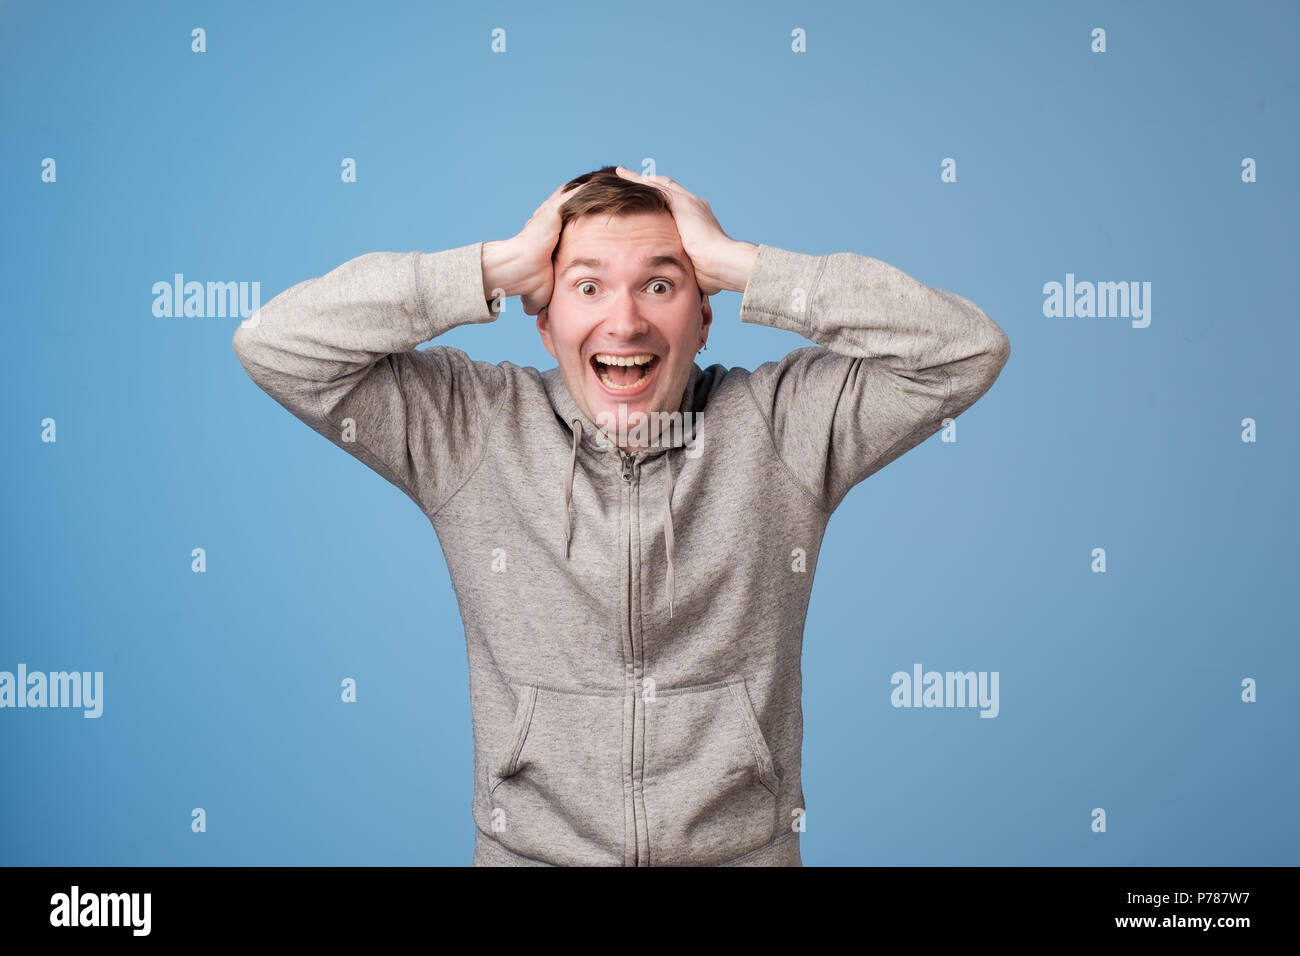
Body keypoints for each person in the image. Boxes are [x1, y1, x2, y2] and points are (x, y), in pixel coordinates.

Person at [231, 164, 1011, 866]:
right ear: (544, 320)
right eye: (589, 285)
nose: (627, 322)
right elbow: (276, 343)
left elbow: (965, 349)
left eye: (661, 285)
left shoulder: (783, 430)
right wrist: (494, 267)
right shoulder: (472, 429)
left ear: (706, 317)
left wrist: (746, 264)